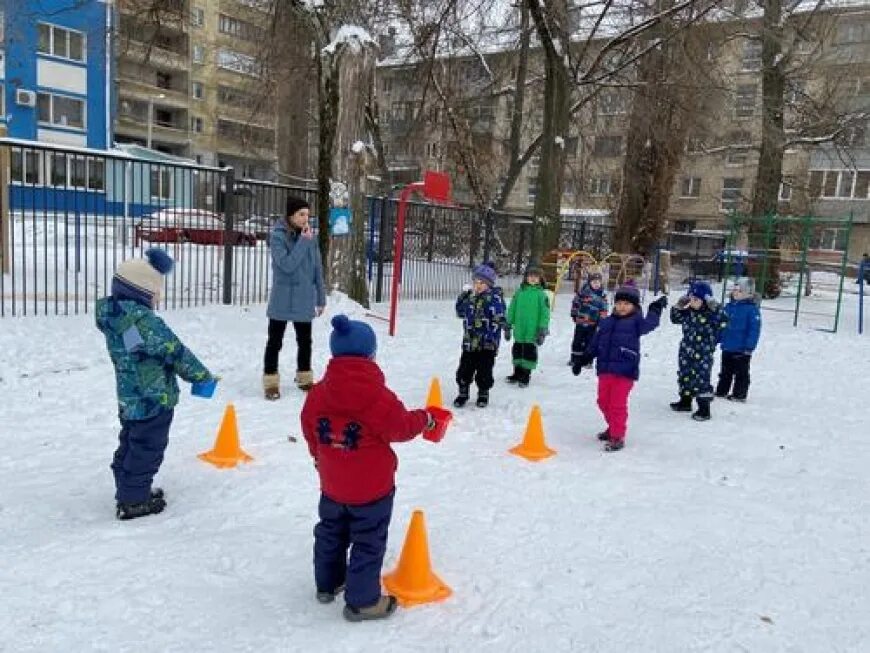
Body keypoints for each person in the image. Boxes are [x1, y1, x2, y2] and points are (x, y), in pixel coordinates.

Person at [301, 315, 437, 622]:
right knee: (368, 540)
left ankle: (328, 582)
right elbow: (400, 427)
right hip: (372, 490)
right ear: (370, 356)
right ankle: (362, 601)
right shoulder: (376, 396)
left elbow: (309, 426)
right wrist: (425, 418)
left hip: (332, 485)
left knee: (331, 531)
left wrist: (318, 455)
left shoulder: (319, 393)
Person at [96, 248, 217, 520]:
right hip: (154, 400)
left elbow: (142, 349)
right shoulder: (146, 324)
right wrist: (203, 377)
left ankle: (128, 487)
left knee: (131, 442)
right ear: (143, 293)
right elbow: (176, 352)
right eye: (155, 294)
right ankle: (133, 502)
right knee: (147, 448)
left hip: (130, 399)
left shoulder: (117, 318)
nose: (157, 299)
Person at [574, 281, 667, 452]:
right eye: (619, 303)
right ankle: (612, 427)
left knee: (617, 404)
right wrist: (584, 357)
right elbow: (596, 342)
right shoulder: (607, 322)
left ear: (634, 306)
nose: (622, 307)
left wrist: (655, 309)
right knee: (603, 402)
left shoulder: (636, 322)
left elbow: (650, 324)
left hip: (625, 371)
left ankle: (617, 436)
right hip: (605, 370)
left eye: (627, 304)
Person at [263, 196, 326, 399]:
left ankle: (305, 378)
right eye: (301, 214)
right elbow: (287, 265)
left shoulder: (310, 237)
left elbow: (317, 269)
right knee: (275, 341)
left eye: (307, 214)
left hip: (304, 297)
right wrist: (303, 242)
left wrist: (321, 298)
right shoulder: (278, 237)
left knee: (305, 341)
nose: (305, 218)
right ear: (291, 215)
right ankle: (271, 382)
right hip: (282, 297)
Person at [669, 280, 729, 421]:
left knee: (701, 380)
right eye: (691, 299)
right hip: (686, 352)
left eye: (696, 299)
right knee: (685, 376)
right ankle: (685, 401)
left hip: (703, 354)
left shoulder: (711, 315)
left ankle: (704, 409)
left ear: (705, 301)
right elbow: (674, 318)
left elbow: (724, 320)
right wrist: (679, 305)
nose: (693, 302)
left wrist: (715, 306)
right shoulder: (688, 313)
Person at [453, 262, 507, 408]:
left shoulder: (494, 299)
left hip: (487, 344)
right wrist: (462, 297)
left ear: (489, 284)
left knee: (485, 371)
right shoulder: (470, 297)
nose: (478, 285)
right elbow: (459, 312)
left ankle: (483, 392)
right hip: (470, 342)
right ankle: (463, 392)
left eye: (482, 283)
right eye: (476, 282)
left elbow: (499, 318)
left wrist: (497, 332)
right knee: (465, 369)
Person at [504, 261, 551, 388]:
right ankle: (517, 372)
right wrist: (508, 323)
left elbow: (545, 314)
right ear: (526, 277)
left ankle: (525, 375)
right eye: (530, 275)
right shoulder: (519, 292)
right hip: (519, 329)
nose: (533, 278)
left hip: (532, 330)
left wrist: (542, 329)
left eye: (536, 276)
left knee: (529, 352)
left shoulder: (541, 295)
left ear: (540, 279)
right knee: (517, 350)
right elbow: (512, 308)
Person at [716, 278, 761, 402]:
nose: (736, 293)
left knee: (741, 373)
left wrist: (749, 346)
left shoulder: (752, 310)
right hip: (727, 346)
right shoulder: (728, 307)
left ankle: (739, 394)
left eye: (740, 291)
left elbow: (754, 330)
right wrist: (717, 338)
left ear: (749, 294)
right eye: (735, 290)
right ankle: (722, 390)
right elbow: (721, 325)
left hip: (742, 349)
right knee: (725, 371)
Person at [569, 270, 609, 374]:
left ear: (601, 283)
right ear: (589, 282)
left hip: (593, 324)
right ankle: (575, 359)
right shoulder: (583, 292)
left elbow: (604, 310)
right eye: (594, 282)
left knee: (590, 342)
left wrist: (602, 322)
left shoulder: (602, 295)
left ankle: (587, 361)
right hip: (581, 322)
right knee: (577, 340)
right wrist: (574, 313)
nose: (596, 284)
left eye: (598, 282)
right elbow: (576, 302)